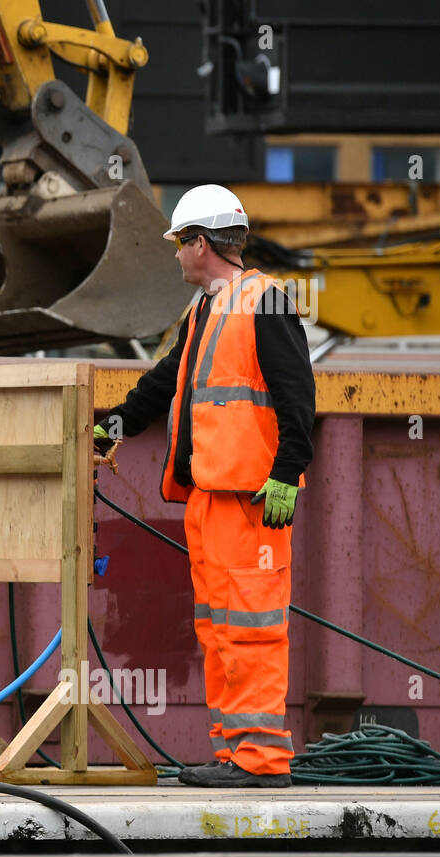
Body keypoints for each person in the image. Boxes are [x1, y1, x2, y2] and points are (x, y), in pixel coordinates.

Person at [94, 183, 315, 788]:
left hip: (251, 504)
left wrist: (286, 478)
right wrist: (106, 428)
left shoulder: (265, 304)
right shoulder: (207, 310)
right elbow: (161, 385)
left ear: (200, 243)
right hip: (212, 503)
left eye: (178, 243)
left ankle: (262, 761)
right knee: (220, 630)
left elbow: (300, 402)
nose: (174, 256)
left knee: (252, 630)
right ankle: (234, 753)